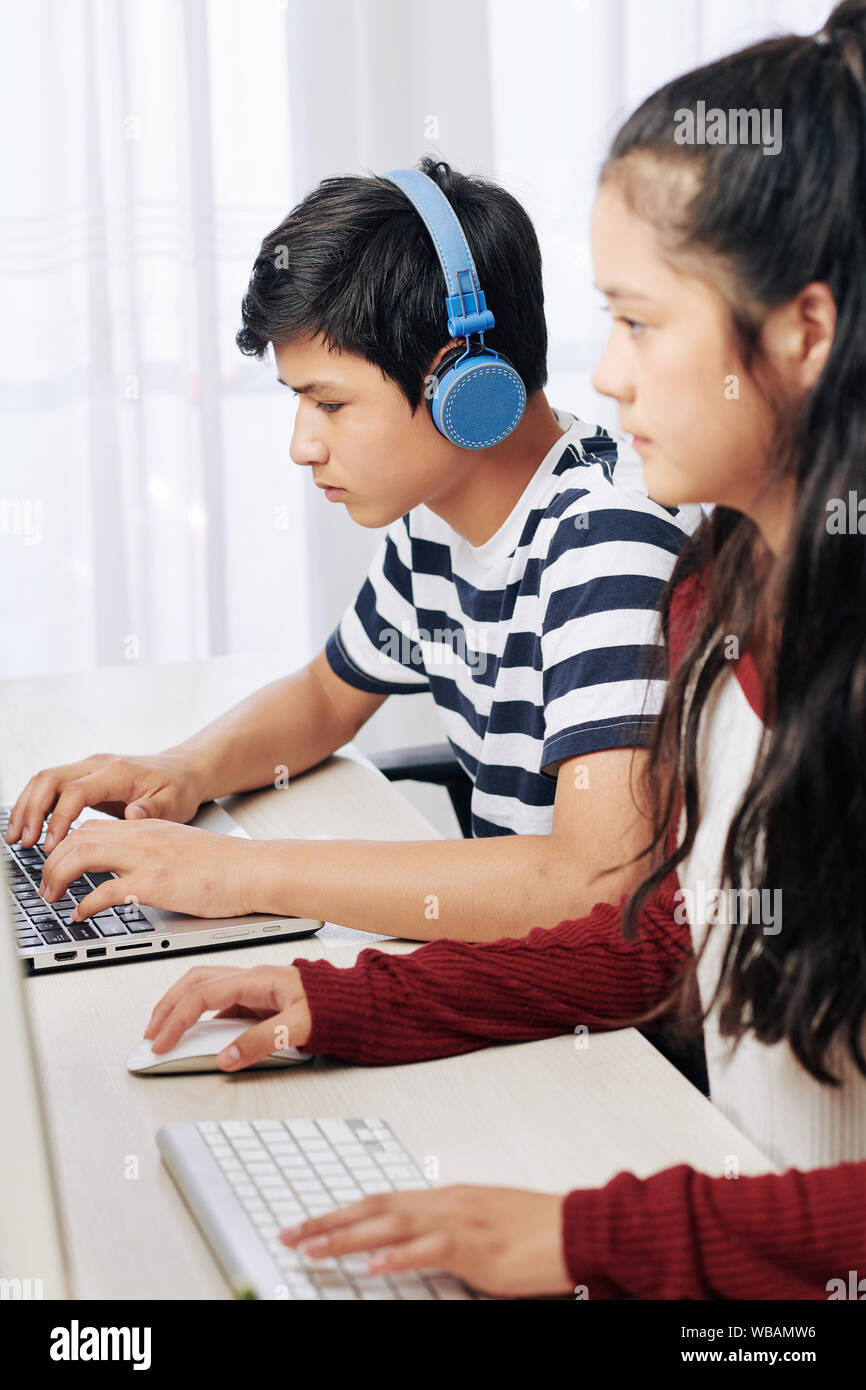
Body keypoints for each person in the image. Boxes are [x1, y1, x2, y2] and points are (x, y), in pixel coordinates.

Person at [143, 1, 866, 1299]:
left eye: (641, 325)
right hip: (719, 1187)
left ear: (802, 331)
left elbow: (611, 897)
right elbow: (664, 936)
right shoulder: (732, 609)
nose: (609, 378)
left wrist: (588, 1239)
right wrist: (346, 1001)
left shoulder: (634, 552)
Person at [14, 158, 697, 943]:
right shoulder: (435, 520)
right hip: (523, 967)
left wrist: (240, 873)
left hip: (635, 1033)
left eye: (330, 404)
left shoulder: (605, 542)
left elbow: (594, 885)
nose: (303, 446)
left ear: (464, 385)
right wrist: (181, 771)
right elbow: (325, 697)